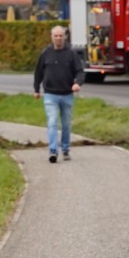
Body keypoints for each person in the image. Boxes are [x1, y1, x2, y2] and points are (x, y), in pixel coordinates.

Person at [32, 24, 84, 164]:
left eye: (61, 35)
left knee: (66, 124)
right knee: (52, 122)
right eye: (56, 36)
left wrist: (77, 83)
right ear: (52, 37)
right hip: (50, 95)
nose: (59, 38)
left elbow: (80, 71)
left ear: (65, 37)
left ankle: (65, 149)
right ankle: (53, 151)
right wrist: (36, 89)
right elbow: (38, 72)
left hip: (67, 94)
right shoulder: (45, 53)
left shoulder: (71, 53)